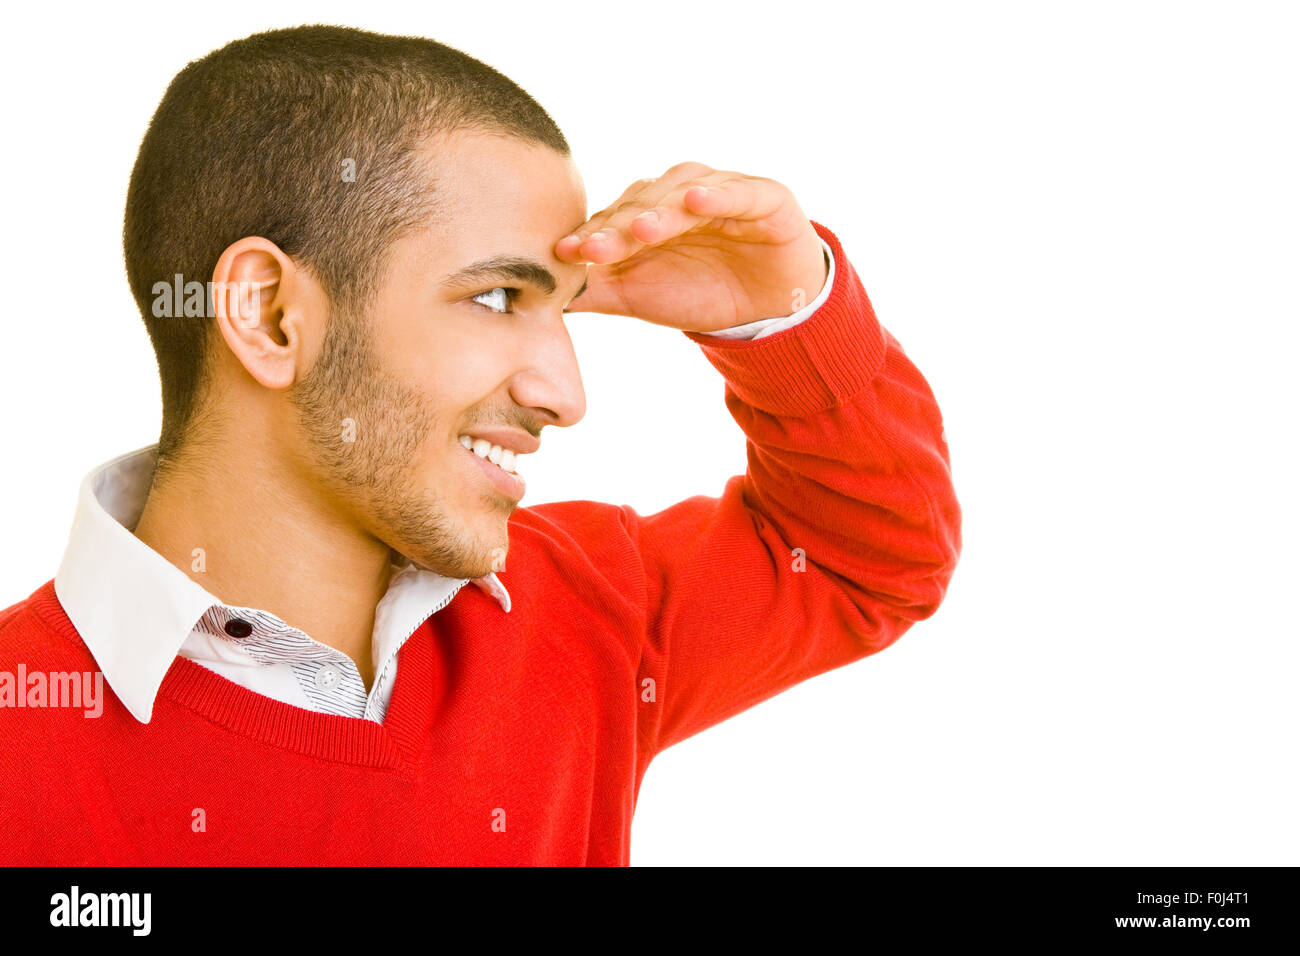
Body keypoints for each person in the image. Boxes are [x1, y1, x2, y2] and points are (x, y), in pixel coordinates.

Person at [0, 24, 962, 865]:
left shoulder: (585, 616)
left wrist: (781, 317)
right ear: (272, 314)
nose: (567, 396)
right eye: (498, 297)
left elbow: (867, 555)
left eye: (567, 307)